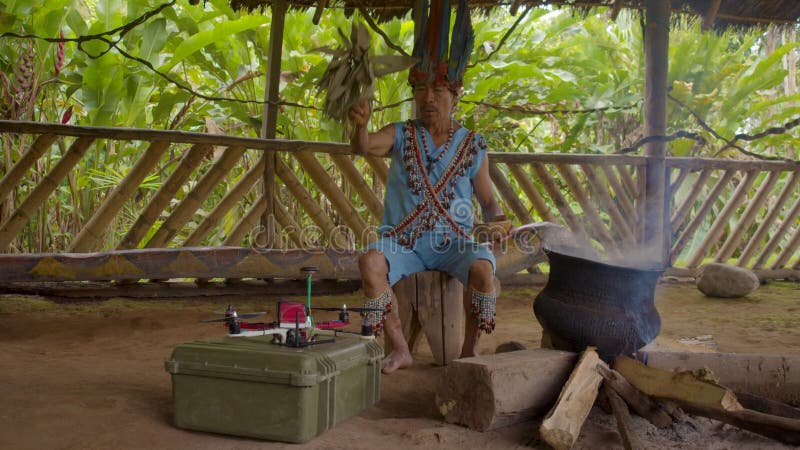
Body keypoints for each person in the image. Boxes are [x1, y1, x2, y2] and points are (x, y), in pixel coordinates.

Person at [347, 0, 509, 374]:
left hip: (453, 244)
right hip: (402, 243)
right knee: (370, 263)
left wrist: (498, 222)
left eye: (437, 89)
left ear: (455, 95)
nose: (428, 98)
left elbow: (488, 201)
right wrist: (360, 126)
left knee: (483, 269)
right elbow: (363, 147)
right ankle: (401, 349)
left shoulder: (473, 145)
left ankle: (469, 351)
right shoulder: (401, 134)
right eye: (421, 89)